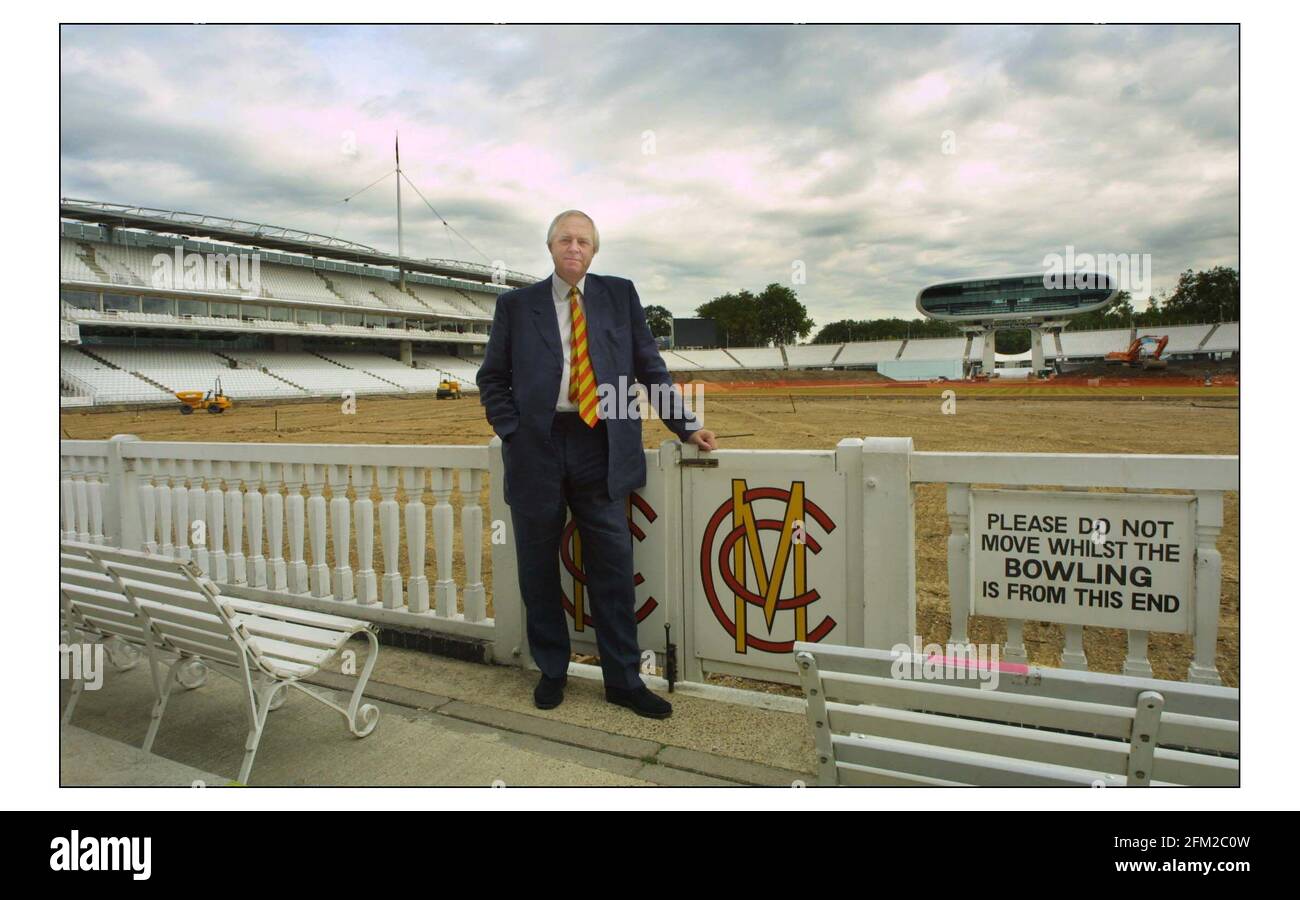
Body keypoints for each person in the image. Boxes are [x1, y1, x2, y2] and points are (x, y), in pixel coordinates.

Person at [476, 210, 718, 718]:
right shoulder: (516, 305)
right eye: (565, 239)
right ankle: (552, 671)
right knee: (538, 571)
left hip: (604, 445)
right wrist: (513, 432)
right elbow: (492, 377)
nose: (574, 247)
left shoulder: (619, 295)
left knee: (612, 569)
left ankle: (623, 681)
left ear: (594, 251)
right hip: (537, 448)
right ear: (550, 247)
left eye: (583, 241)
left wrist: (686, 426)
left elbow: (649, 368)